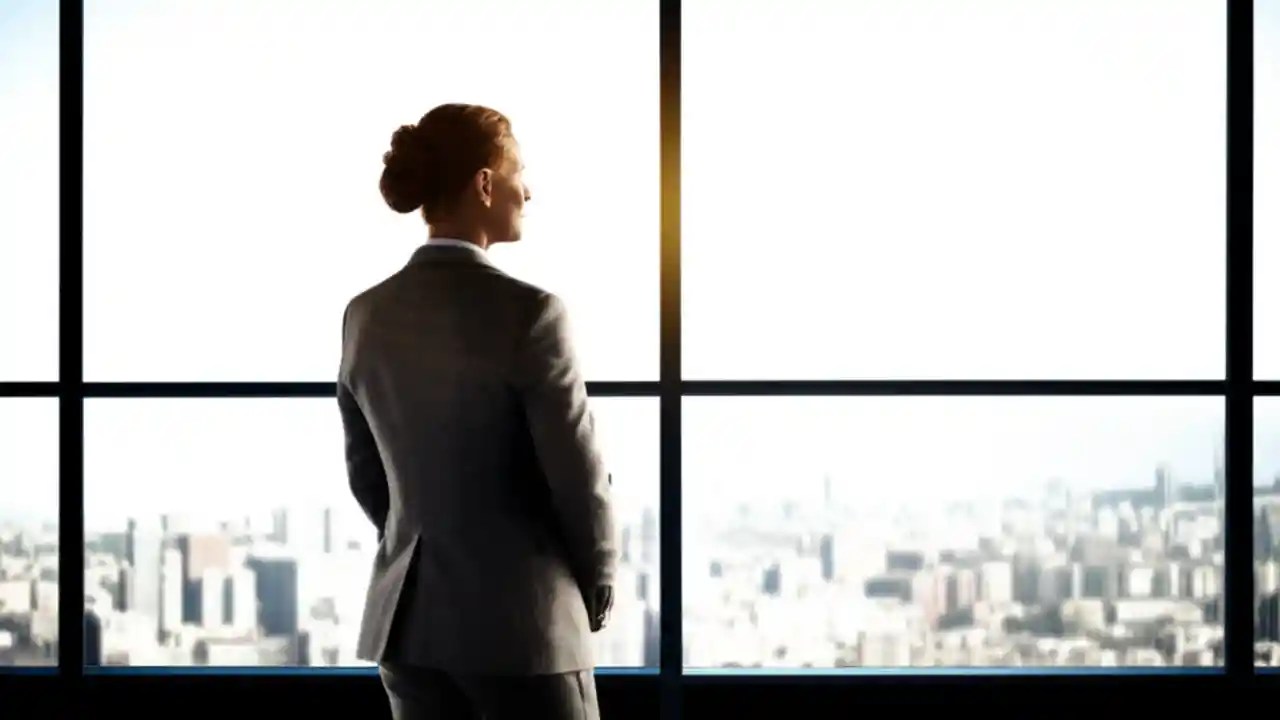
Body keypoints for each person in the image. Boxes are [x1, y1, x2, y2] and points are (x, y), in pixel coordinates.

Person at [336, 102, 618, 720]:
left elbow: (367, 474)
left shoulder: (365, 314)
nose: (528, 191)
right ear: (485, 184)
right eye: (519, 173)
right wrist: (597, 577)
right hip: (524, 627)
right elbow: (575, 473)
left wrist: (423, 540)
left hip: (408, 626)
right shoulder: (532, 313)